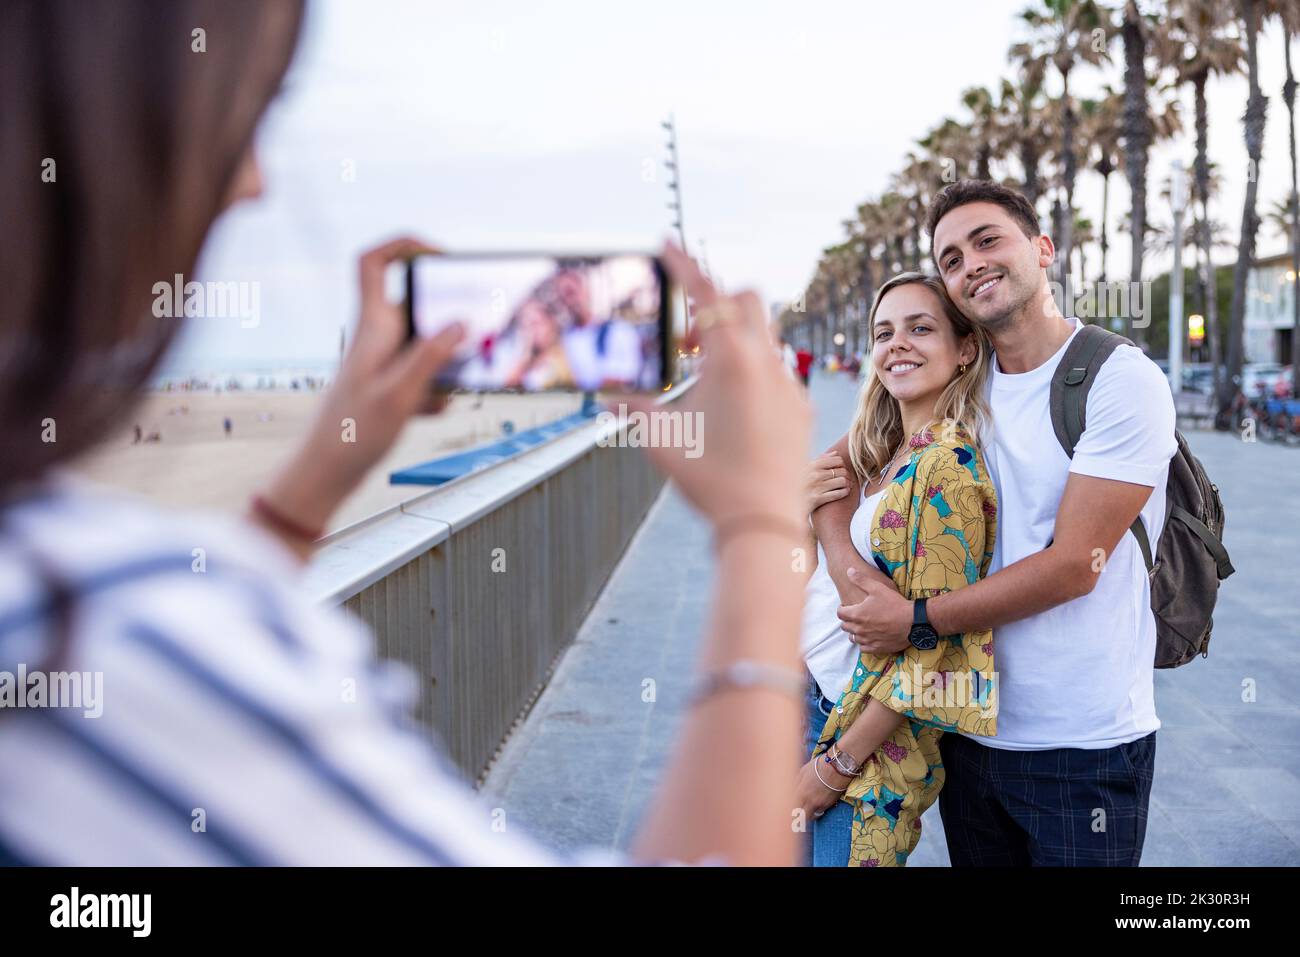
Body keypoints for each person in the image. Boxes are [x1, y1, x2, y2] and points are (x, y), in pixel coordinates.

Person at [0, 0, 813, 866]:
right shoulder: (93, 633)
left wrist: (314, 479)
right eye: (237, 118)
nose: (253, 183)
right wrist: (761, 523)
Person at [817, 180, 1176, 866]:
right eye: (951, 258)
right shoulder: (960, 376)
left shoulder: (1117, 379)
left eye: (988, 240)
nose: (970, 262)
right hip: (968, 733)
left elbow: (1076, 564)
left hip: (1082, 744)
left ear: (1042, 249)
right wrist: (850, 574)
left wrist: (915, 617)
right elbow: (832, 473)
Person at [796, 273, 997, 867]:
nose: (897, 344)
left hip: (867, 747)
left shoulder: (947, 467)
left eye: (920, 328)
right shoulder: (886, 449)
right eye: (884, 332)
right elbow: (817, 488)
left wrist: (836, 768)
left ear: (965, 349)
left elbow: (933, 652)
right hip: (816, 701)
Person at [551, 267, 643, 390]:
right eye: (562, 297)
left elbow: (624, 377)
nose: (569, 301)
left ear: (586, 291)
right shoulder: (563, 340)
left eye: (571, 292)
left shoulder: (619, 331)